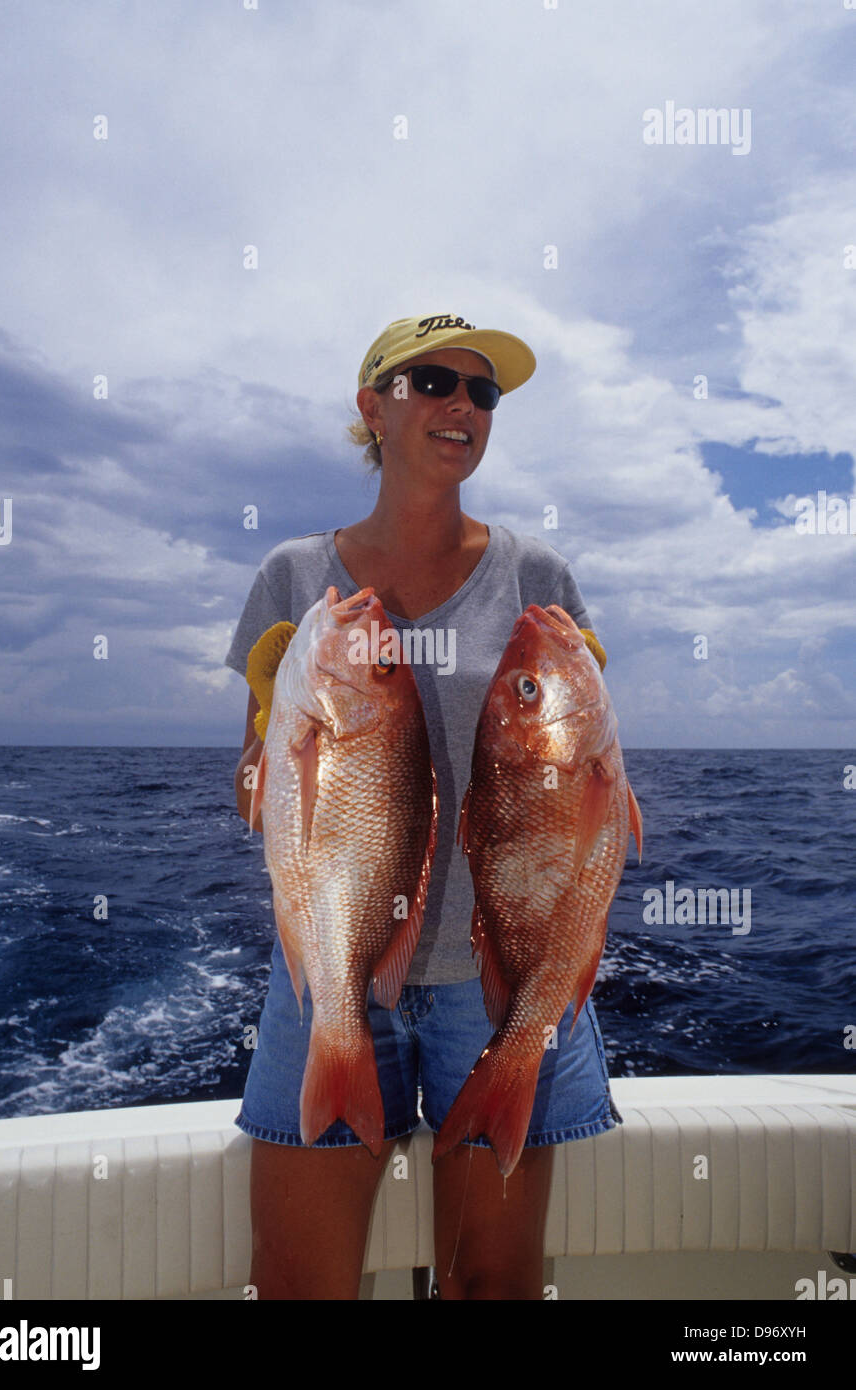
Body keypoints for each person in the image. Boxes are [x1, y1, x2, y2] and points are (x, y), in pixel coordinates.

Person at [224, 313, 623, 1300]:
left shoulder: (539, 578)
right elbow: (248, 795)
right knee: (296, 1282)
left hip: (494, 983)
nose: (461, 405)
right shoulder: (290, 576)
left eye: (480, 392)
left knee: (491, 1280)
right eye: (431, 381)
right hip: (328, 968)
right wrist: (274, 746)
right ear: (373, 407)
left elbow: (585, 801)